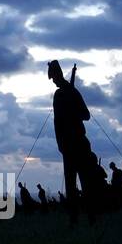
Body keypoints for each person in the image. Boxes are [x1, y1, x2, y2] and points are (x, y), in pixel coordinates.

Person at [49, 60, 98, 224]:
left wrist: (73, 112)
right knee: (70, 185)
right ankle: (74, 218)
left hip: (79, 143)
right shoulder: (58, 95)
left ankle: (92, 216)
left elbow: (86, 115)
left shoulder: (73, 92)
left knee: (86, 182)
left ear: (59, 75)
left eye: (54, 77)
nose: (53, 81)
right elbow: (57, 123)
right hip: (67, 145)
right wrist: (60, 144)